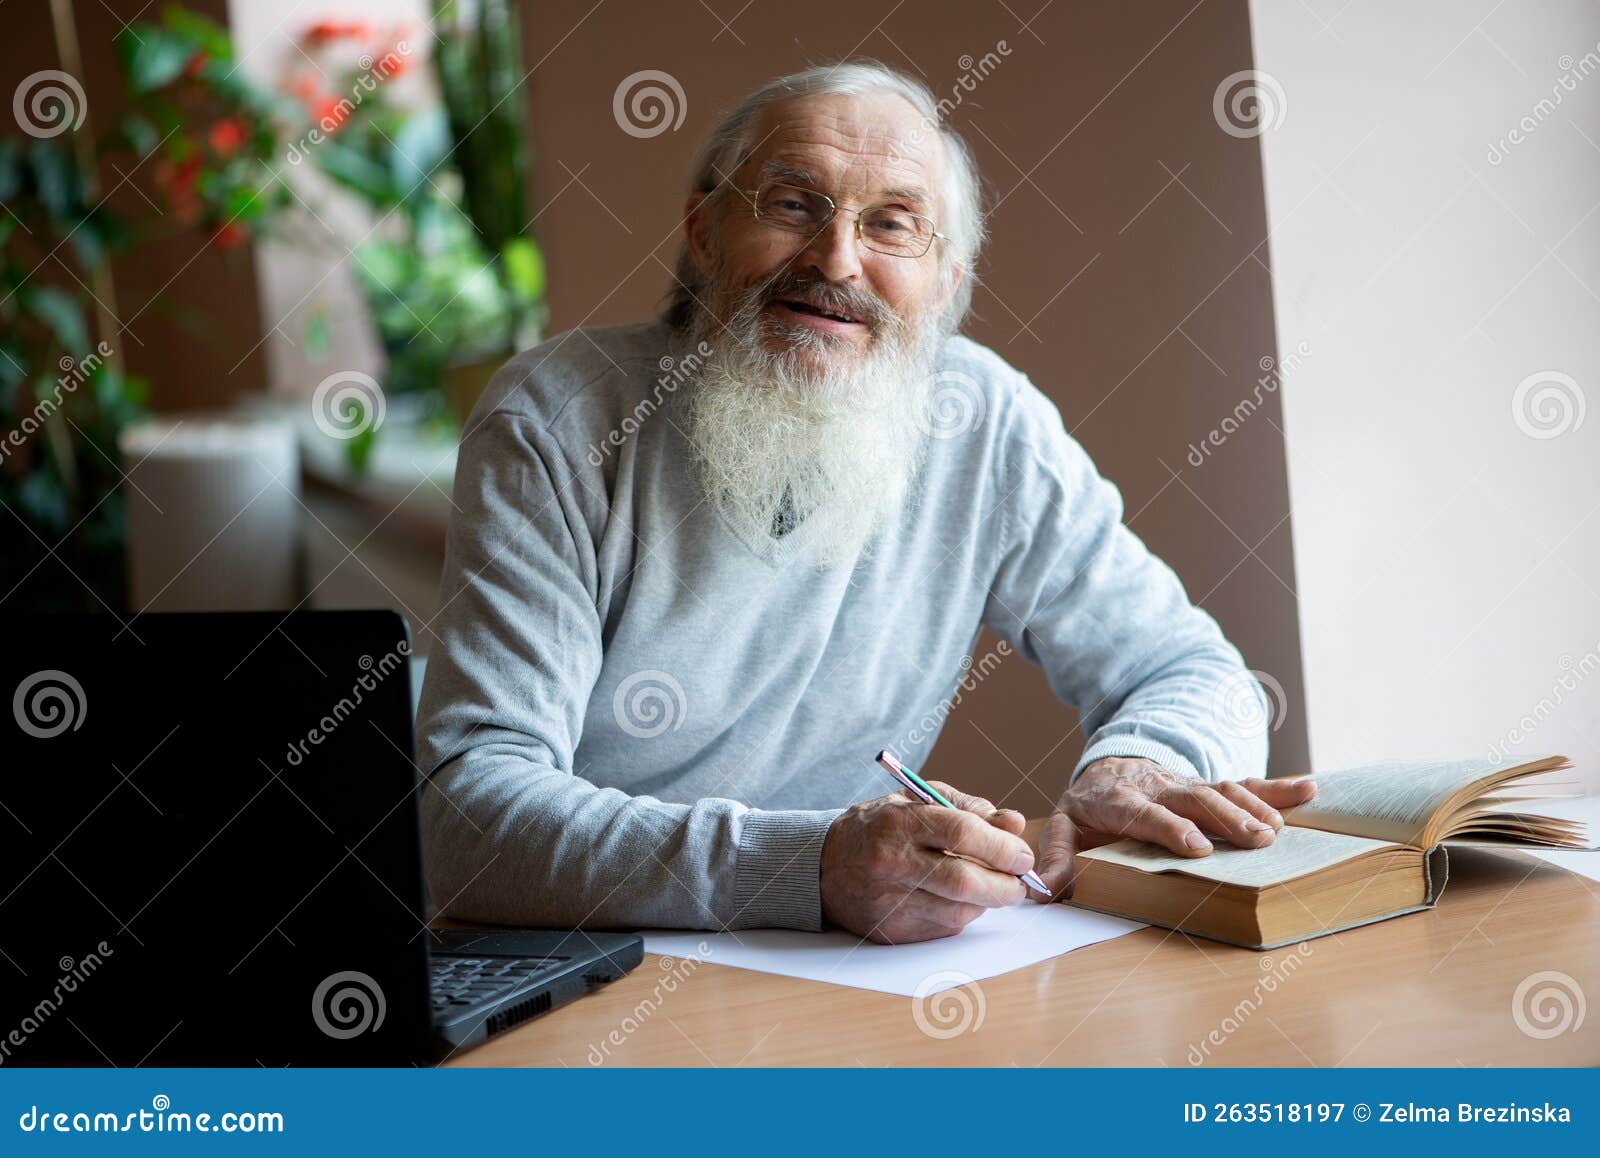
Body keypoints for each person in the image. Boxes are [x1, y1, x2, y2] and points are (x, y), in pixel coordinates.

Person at [415, 61, 1314, 945]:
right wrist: (811, 866)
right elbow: (470, 815)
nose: (836, 259)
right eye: (793, 204)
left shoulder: (982, 420)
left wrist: (1139, 768)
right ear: (704, 230)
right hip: (597, 968)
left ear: (946, 288)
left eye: (893, 224)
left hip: (846, 987)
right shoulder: (559, 418)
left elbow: (1200, 674)